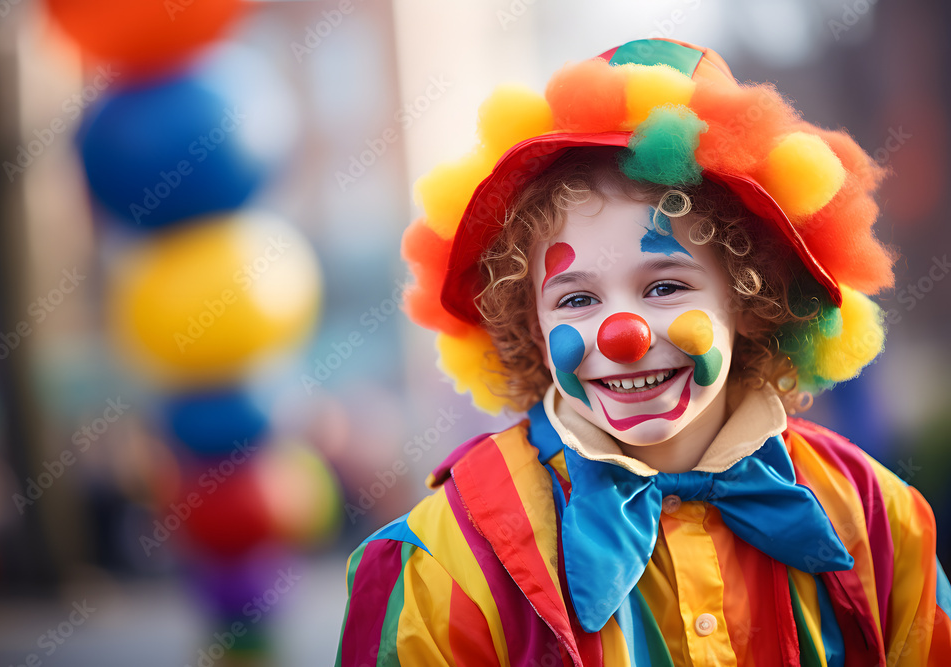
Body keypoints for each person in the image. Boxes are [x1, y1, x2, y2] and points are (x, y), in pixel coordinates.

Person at [334, 38, 951, 666]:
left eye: (665, 287)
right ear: (533, 327)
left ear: (749, 299)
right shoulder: (444, 564)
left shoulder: (879, 519)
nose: (622, 337)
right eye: (577, 299)